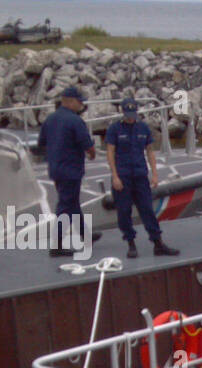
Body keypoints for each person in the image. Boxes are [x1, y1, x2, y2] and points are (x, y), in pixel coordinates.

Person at [106, 97, 179, 258]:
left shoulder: (143, 128)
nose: (130, 116)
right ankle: (131, 243)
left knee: (147, 209)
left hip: (140, 175)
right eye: (127, 113)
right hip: (123, 176)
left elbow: (150, 151)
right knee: (124, 211)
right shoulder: (115, 129)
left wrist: (154, 174)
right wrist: (115, 176)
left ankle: (157, 243)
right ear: (123, 112)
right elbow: (110, 152)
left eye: (133, 113)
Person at [36, 87, 100, 257]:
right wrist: (92, 154)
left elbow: (41, 142)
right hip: (71, 170)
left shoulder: (50, 119)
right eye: (80, 102)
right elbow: (88, 146)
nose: (81, 105)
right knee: (65, 206)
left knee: (72, 203)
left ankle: (85, 236)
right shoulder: (75, 121)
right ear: (70, 101)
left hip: (55, 169)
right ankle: (57, 245)